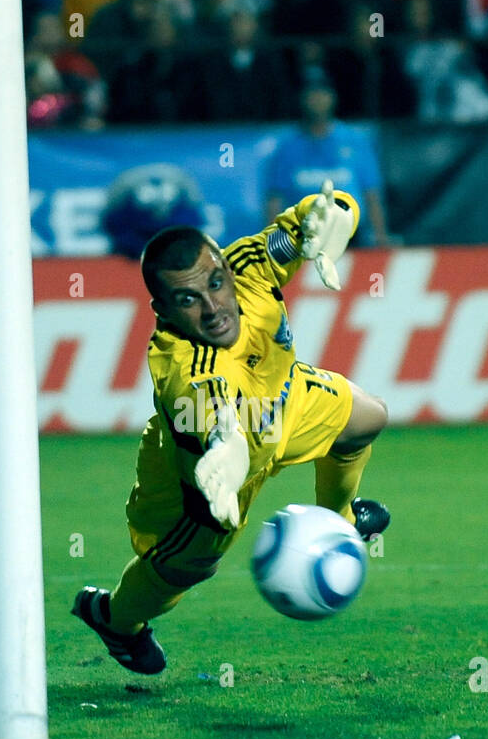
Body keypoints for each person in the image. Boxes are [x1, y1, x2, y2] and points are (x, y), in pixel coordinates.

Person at [72, 182, 391, 674]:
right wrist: (226, 448)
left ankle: (338, 522)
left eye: (215, 284)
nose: (213, 306)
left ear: (224, 266)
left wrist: (335, 218)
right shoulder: (183, 366)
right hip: (208, 479)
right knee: (185, 570)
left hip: (285, 402)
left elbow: (311, 219)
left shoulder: (249, 268)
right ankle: (115, 619)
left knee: (366, 418)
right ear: (163, 311)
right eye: (187, 299)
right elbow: (215, 417)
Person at [264, 82, 392, 246]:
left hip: (348, 235)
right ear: (302, 100)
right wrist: (273, 241)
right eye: (312, 95)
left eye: (322, 94)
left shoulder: (354, 141)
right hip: (302, 235)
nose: (317, 100)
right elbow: (274, 198)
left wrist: (380, 235)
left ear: (333, 98)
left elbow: (371, 193)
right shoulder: (287, 147)